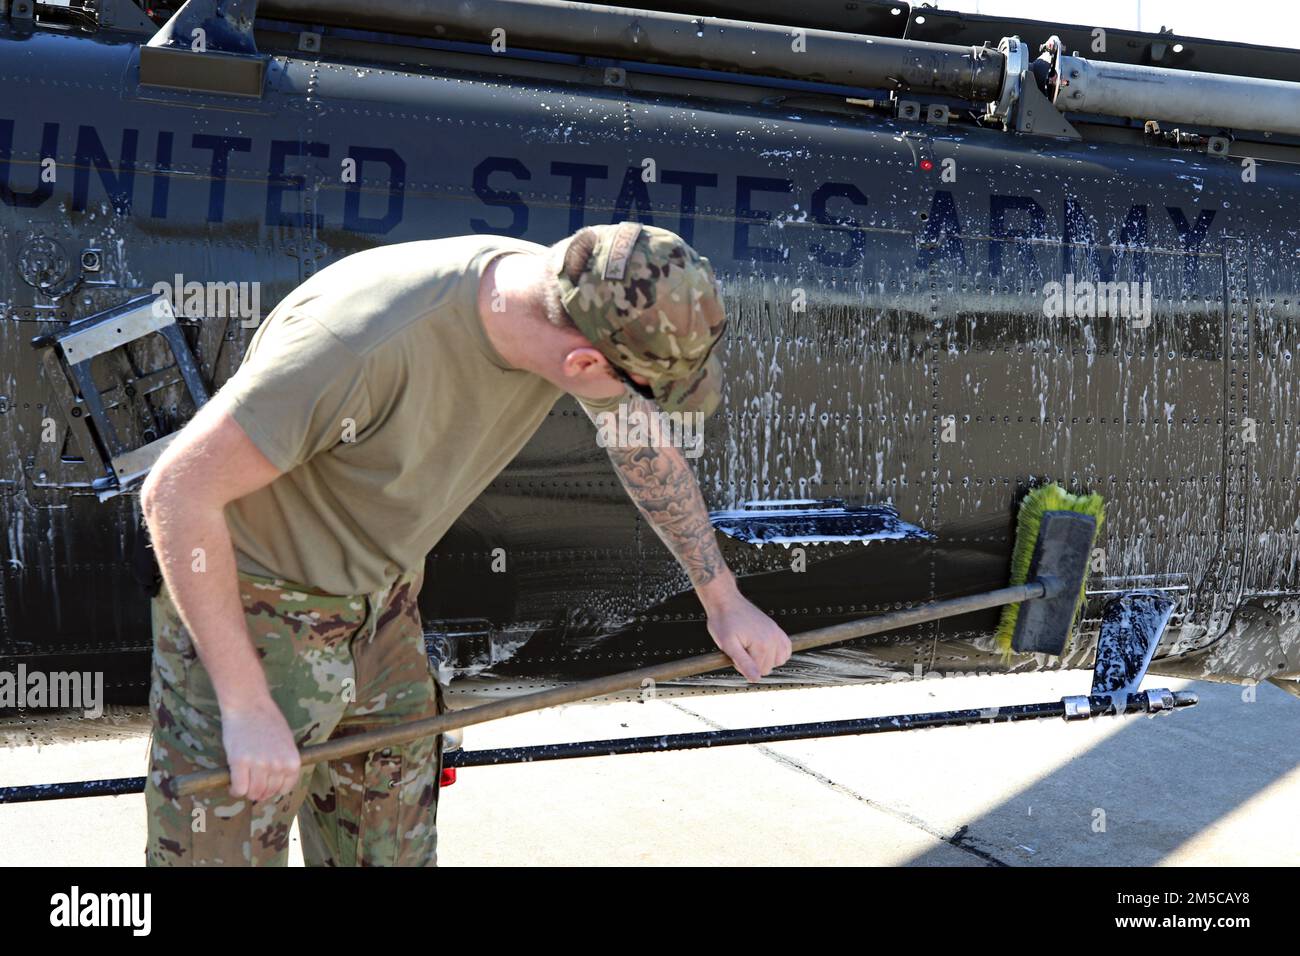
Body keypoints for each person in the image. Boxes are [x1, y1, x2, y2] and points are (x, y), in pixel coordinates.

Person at [139, 221, 793, 866]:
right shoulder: (360, 340)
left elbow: (637, 441)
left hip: (385, 611)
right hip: (251, 615)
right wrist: (246, 703)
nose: (640, 410)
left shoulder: (565, 295)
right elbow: (176, 492)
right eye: (640, 391)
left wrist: (722, 597)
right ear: (586, 363)